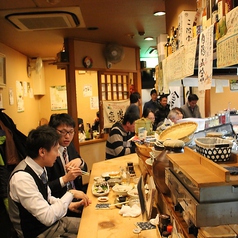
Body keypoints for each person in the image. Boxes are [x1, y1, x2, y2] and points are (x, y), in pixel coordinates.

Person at [8, 125, 91, 238]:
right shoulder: (22, 178)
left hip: (53, 224)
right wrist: (70, 194)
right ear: (42, 152)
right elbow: (48, 217)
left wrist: (69, 205)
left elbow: (48, 198)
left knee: (92, 225)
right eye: (56, 150)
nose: (58, 154)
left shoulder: (39, 167)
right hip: (38, 233)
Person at [47, 113, 88, 205]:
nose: (67, 136)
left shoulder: (69, 146)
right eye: (63, 132)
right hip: (60, 202)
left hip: (78, 195)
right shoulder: (48, 153)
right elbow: (45, 188)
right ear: (53, 131)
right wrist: (65, 179)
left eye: (71, 132)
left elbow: (85, 171)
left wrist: (81, 162)